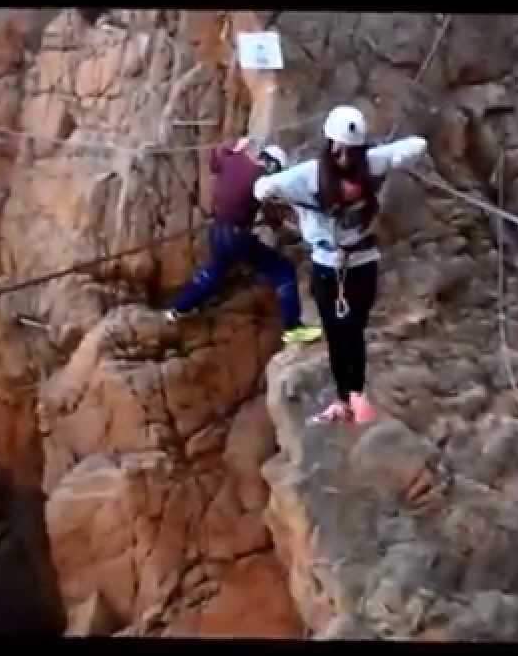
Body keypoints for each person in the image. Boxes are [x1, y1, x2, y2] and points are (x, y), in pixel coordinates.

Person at [253, 106, 427, 424]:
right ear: (329, 145)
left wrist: (392, 159)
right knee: (335, 333)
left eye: (350, 150)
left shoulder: (370, 165)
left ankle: (354, 394)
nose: (342, 155)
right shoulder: (308, 176)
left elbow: (417, 145)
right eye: (338, 148)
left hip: (360, 263)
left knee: (352, 330)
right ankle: (346, 397)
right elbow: (263, 189)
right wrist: (288, 192)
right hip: (327, 264)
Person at [165, 137, 322, 346]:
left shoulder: (234, 160)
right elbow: (273, 215)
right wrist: (290, 233)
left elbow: (216, 160)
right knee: (283, 271)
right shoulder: (261, 180)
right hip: (236, 236)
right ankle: (292, 327)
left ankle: (179, 307)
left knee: (213, 273)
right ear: (273, 165)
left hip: (217, 229)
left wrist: (235, 147)